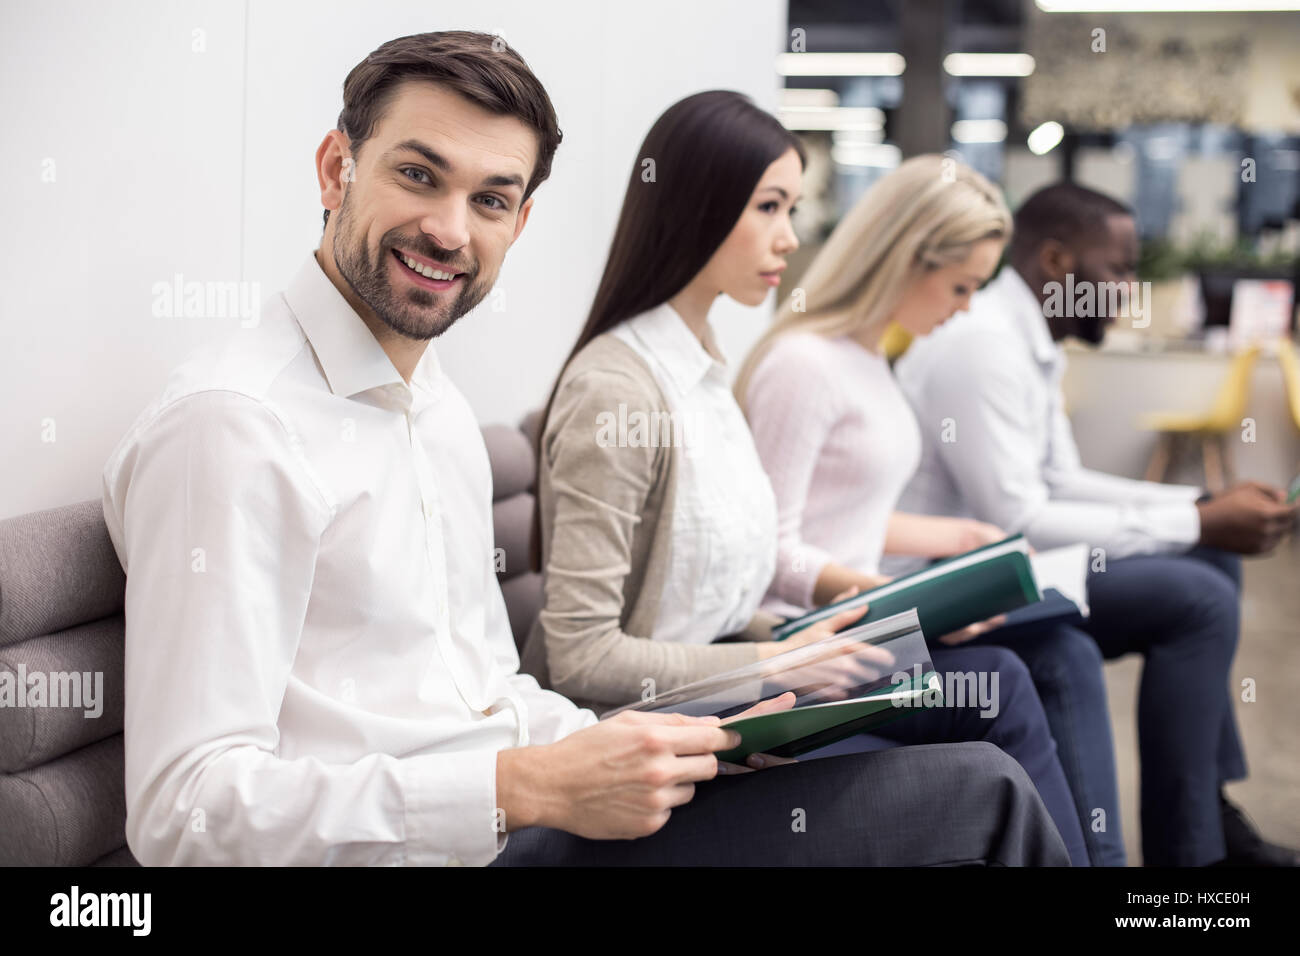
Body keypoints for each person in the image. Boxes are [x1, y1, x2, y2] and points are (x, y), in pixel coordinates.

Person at [99, 31, 1068, 867]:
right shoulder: (232, 424)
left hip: (523, 824)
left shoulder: (432, 407)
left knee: (978, 732)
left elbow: (489, 694)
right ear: (334, 167)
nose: (448, 227)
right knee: (978, 794)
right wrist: (522, 784)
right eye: (417, 173)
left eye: (490, 199)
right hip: (469, 845)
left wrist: (695, 734)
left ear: (519, 222)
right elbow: (183, 813)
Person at [522, 91, 1085, 864]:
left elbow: (714, 606)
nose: (790, 239)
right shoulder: (619, 390)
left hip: (722, 721)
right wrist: (776, 662)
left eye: (793, 208)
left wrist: (818, 641)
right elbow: (579, 658)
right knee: (990, 778)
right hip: (648, 771)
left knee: (1004, 682)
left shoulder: (702, 371)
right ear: (698, 205)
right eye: (769, 207)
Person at [890, 180, 1299, 866]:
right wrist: (1198, 524)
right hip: (950, 585)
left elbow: (1058, 481)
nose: (1130, 288)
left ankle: (1210, 816)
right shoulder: (983, 345)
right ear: (1056, 262)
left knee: (1213, 564)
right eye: (1119, 268)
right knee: (1197, 595)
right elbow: (1018, 519)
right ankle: (1192, 859)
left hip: (995, 564)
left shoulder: (1029, 339)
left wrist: (1195, 511)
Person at [734, 155, 1121, 867]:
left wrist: (966, 541)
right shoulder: (803, 365)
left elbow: (846, 512)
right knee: (1002, 677)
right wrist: (895, 602)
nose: (968, 305)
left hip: (859, 621)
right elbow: (769, 549)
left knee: (1063, 648)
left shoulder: (866, 356)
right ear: (906, 261)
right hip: (809, 638)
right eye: (961, 285)